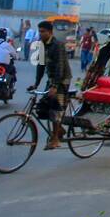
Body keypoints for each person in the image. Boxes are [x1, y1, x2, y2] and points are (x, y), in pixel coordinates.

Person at [36, 20, 73, 149]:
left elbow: (60, 67)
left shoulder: (58, 45)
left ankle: (55, 138)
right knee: (42, 107)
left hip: (63, 80)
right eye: (39, 31)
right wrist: (35, 84)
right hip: (52, 79)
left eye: (43, 31)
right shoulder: (40, 45)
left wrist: (55, 86)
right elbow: (40, 66)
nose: (40, 34)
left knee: (55, 108)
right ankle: (60, 130)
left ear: (50, 32)